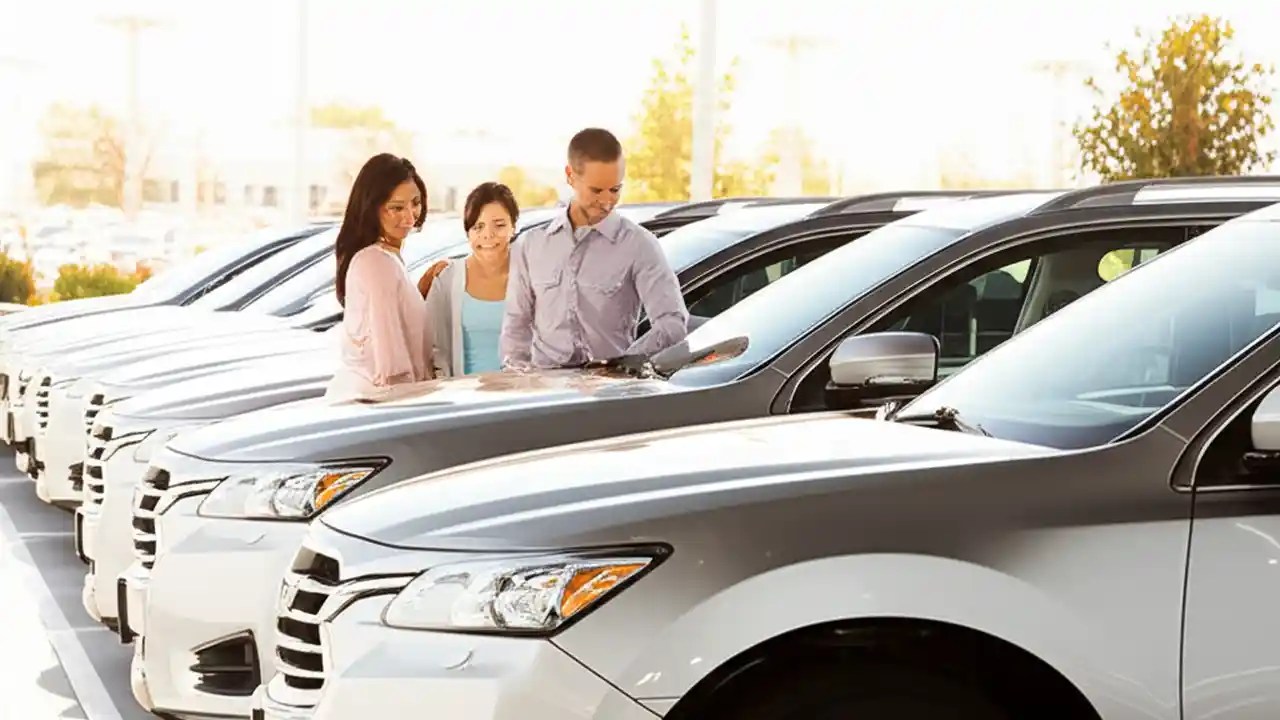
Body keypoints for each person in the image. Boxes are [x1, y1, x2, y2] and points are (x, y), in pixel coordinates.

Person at [499, 127, 688, 369]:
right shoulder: (531, 245)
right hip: (544, 394)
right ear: (570, 176)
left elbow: (672, 323)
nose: (607, 200)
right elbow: (515, 326)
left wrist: (622, 365)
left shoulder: (640, 245)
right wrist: (519, 382)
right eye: (596, 190)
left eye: (615, 189)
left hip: (609, 395)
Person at [325, 153, 434, 400]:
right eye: (396, 208)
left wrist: (422, 290)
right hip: (379, 405)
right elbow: (392, 368)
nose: (410, 216)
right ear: (371, 207)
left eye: (415, 203)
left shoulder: (382, 258)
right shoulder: (376, 262)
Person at [425, 182, 519, 376]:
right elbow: (433, 352)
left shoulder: (533, 277)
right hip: (468, 402)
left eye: (499, 225)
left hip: (523, 399)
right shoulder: (447, 279)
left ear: (513, 227)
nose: (488, 235)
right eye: (478, 227)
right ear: (468, 232)